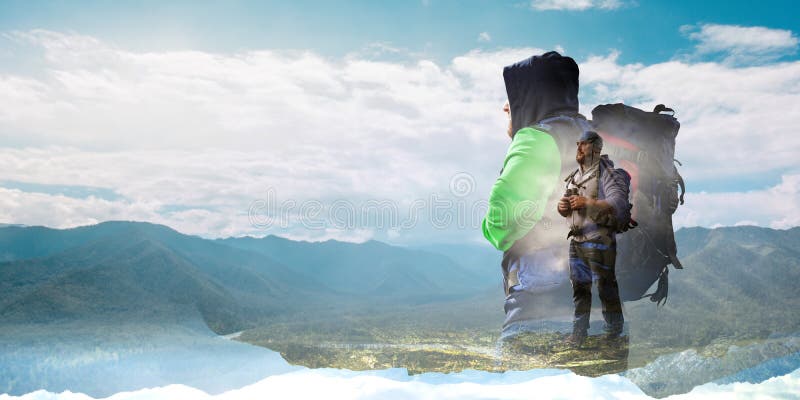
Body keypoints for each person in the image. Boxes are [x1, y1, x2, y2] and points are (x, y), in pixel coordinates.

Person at [482, 51, 592, 335]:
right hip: (610, 317)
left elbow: (500, 222)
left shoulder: (536, 139)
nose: (506, 108)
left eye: (512, 98)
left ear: (530, 98)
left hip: (543, 315)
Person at [557, 131, 627, 346]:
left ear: (596, 148)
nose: (578, 148)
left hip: (599, 239)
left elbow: (618, 202)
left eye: (583, 144)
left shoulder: (607, 173)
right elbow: (569, 209)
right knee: (579, 288)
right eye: (577, 144)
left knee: (605, 287)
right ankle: (579, 333)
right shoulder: (574, 176)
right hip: (576, 241)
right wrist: (562, 208)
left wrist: (589, 203)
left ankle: (614, 333)